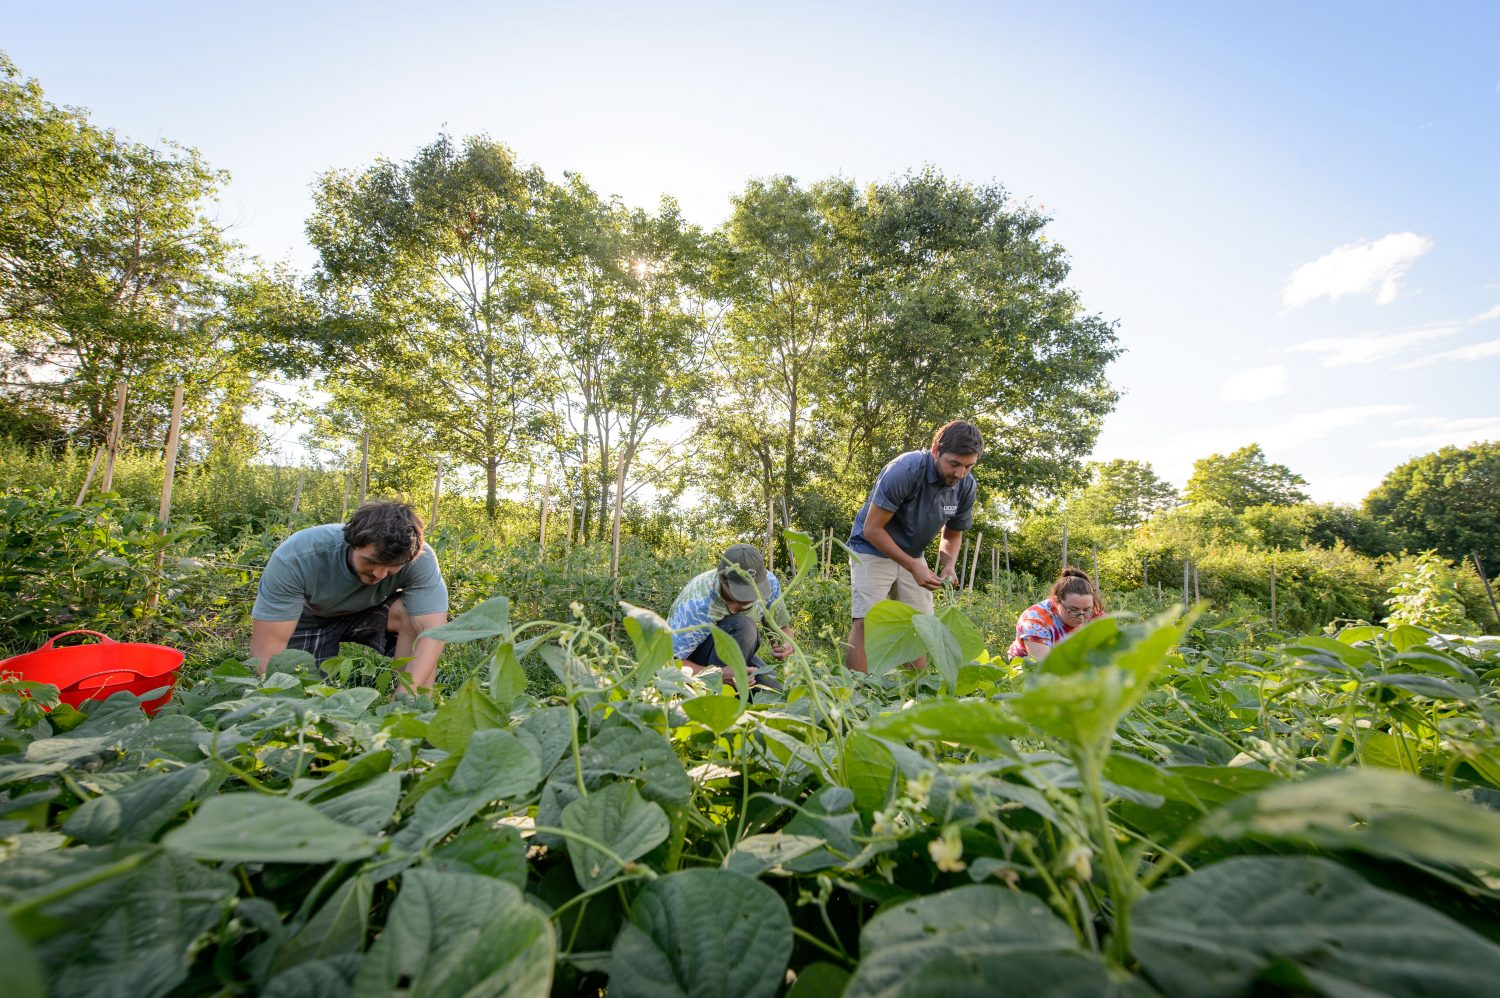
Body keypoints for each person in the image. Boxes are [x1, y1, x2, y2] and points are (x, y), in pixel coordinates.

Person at [249, 500, 449, 689]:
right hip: (308, 620)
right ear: (352, 543)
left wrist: (408, 694)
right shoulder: (299, 555)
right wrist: (275, 700)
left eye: (392, 567)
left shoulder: (419, 559)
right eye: (370, 561)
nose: (380, 574)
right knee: (305, 692)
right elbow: (268, 651)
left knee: (413, 615)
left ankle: (411, 713)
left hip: (367, 612)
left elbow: (433, 632)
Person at [845, 420, 982, 672]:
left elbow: (952, 533)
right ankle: (855, 696)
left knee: (921, 626)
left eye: (968, 466)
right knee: (867, 620)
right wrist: (913, 566)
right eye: (954, 464)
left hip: (912, 554)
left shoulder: (966, 486)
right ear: (935, 450)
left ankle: (915, 693)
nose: (960, 473)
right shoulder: (905, 470)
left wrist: (949, 564)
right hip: (871, 548)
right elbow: (872, 529)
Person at [668, 543, 794, 694]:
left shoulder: (770, 584)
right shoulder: (696, 602)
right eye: (741, 592)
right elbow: (669, 662)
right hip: (695, 661)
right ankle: (716, 696)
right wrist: (716, 676)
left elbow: (784, 629)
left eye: (753, 592)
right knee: (744, 626)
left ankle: (734, 688)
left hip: (737, 655)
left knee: (776, 692)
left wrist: (786, 644)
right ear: (722, 578)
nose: (748, 600)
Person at [1007, 567, 1105, 661]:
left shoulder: (1094, 612)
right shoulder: (1034, 621)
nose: (1081, 617)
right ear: (1056, 601)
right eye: (1073, 610)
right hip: (1027, 666)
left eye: (1087, 610)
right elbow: (1044, 667)